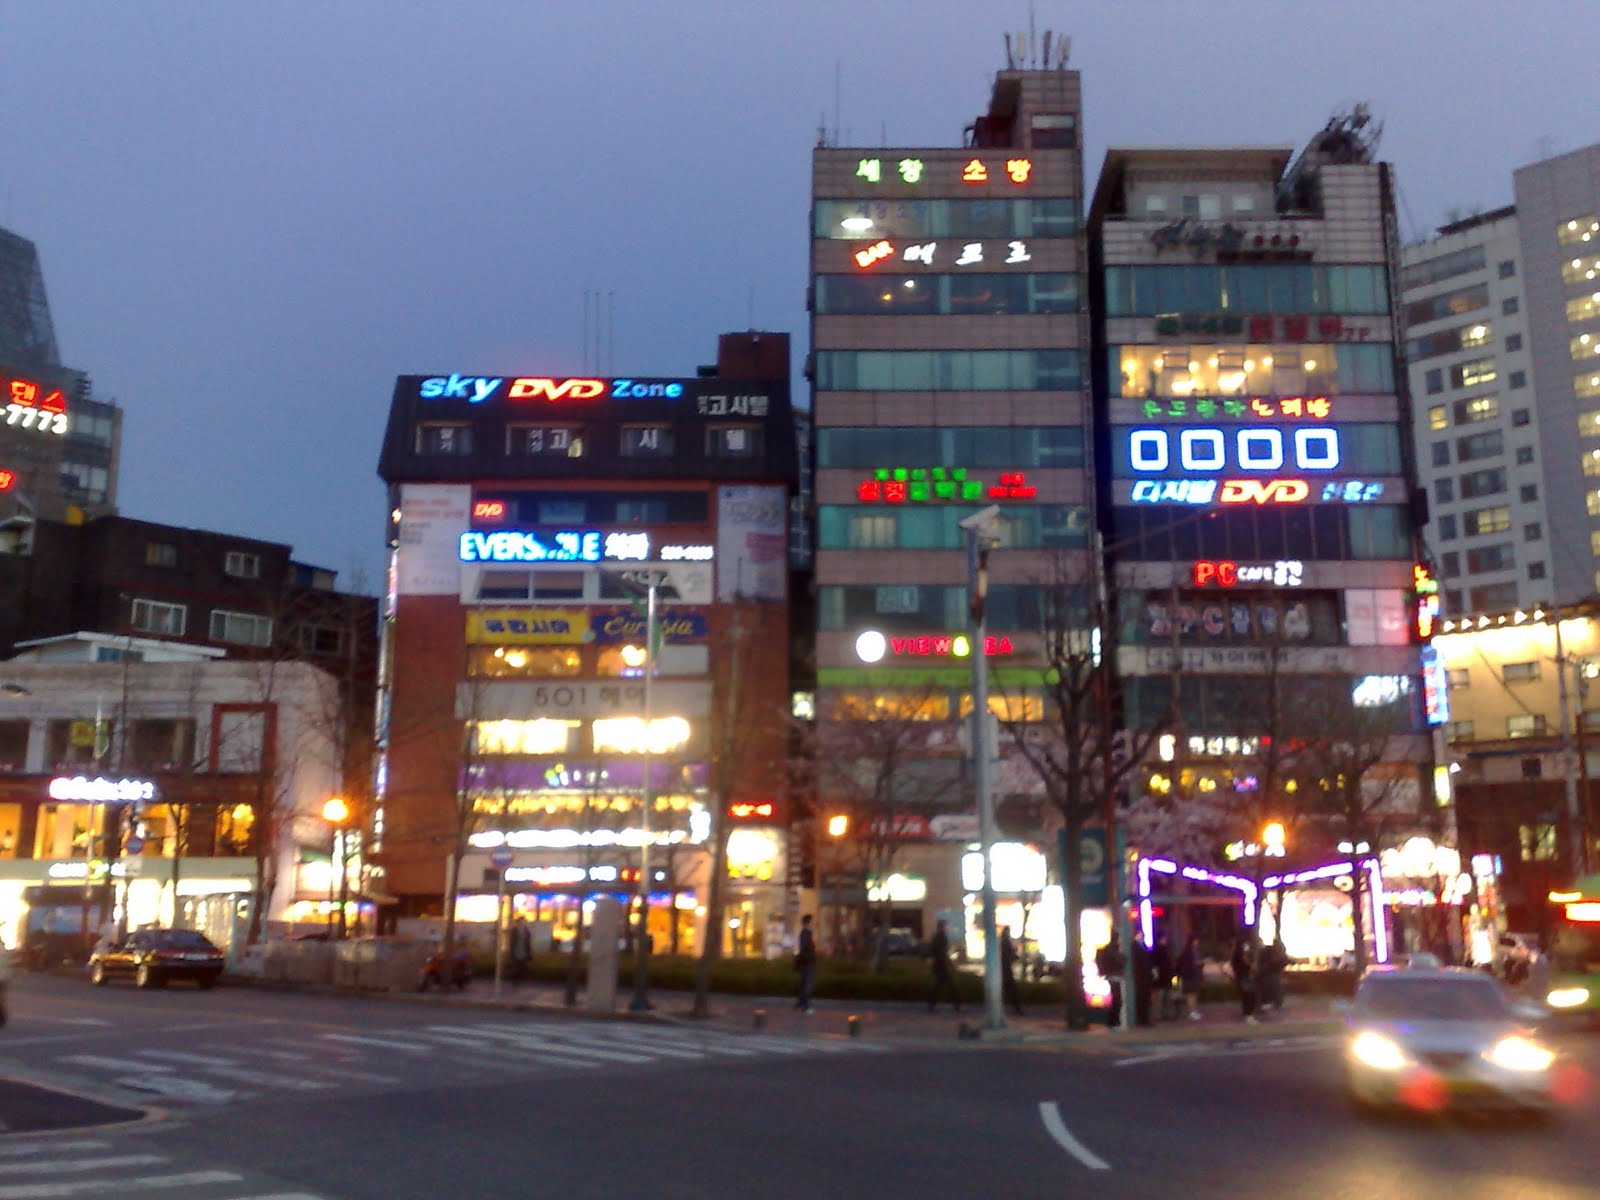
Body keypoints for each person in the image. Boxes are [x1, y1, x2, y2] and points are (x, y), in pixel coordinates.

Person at [927, 918, 960, 1012]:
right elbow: (943, 952)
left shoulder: (936, 937)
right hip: (942, 965)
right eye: (946, 926)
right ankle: (956, 1004)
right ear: (942, 927)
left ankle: (932, 1004)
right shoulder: (942, 937)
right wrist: (950, 963)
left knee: (939, 985)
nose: (947, 928)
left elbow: (935, 951)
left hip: (939, 965)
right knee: (950, 985)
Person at [1094, 933, 1126, 1028]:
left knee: (1116, 999)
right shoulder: (1114, 949)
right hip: (1114, 976)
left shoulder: (1108, 949)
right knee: (1117, 999)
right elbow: (1120, 960)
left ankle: (1113, 1021)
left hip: (1111, 975)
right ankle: (1114, 1021)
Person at [1230, 932, 1259, 1024]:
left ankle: (1247, 1013)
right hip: (1244, 974)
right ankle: (1248, 1014)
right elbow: (1245, 957)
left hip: (1241, 974)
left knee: (1246, 994)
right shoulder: (1243, 946)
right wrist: (1251, 966)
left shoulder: (1237, 948)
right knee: (1249, 994)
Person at [1177, 933, 1205, 1021]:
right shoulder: (1189, 952)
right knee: (1191, 995)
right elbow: (1189, 963)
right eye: (1196, 940)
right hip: (1190, 976)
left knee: (1194, 994)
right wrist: (1198, 963)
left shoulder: (1194, 951)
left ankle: (1194, 1011)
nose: (1197, 942)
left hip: (1194, 975)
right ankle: (1191, 1012)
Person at [1258, 938, 1288, 1014]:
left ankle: (1274, 1002)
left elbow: (1281, 964)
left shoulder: (1278, 953)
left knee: (1274, 984)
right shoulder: (1267, 951)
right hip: (1268, 972)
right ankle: (1271, 1002)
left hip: (1272, 972)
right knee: (1271, 984)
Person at [794, 914, 817, 1013]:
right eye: (812, 921)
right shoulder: (806, 934)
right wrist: (809, 959)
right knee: (808, 984)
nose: (814, 923)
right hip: (808, 963)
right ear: (808, 923)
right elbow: (804, 950)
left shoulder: (806, 933)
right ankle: (806, 1006)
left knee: (804, 984)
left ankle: (800, 1004)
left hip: (807, 962)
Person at [1152, 932, 1177, 1022]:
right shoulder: (1164, 951)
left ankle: (1160, 1015)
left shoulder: (1157, 951)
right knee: (1164, 997)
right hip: (1164, 978)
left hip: (1162, 978)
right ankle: (1163, 1014)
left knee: (1162, 998)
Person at [999, 927, 1024, 1016]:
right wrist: (1016, 953)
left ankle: (1013, 1008)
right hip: (1006, 971)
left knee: (1006, 991)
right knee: (1012, 990)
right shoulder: (1006, 942)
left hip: (1003, 970)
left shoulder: (1002, 942)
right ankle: (1017, 1008)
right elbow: (1011, 955)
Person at [508, 917, 532, 987]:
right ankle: (515, 980)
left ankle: (518, 979)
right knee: (516, 966)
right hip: (516, 950)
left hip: (523, 950)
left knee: (522, 966)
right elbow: (511, 942)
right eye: (520, 922)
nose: (521, 923)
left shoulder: (526, 930)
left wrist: (529, 952)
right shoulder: (514, 930)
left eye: (523, 922)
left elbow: (528, 942)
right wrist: (511, 951)